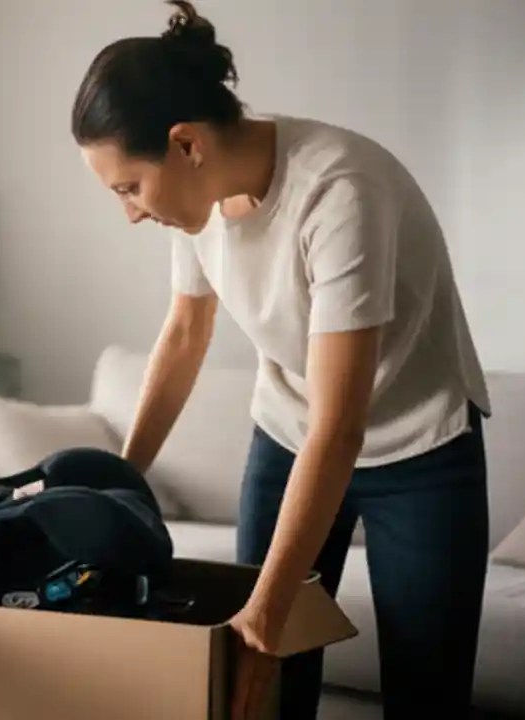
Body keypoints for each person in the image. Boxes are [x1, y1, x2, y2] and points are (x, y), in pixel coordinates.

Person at [70, 2, 491, 719]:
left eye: (128, 188)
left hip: (419, 449)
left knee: (424, 693)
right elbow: (183, 335)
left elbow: (341, 428)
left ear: (186, 144)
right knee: (268, 699)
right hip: (288, 435)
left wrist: (266, 620)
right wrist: (124, 480)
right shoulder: (195, 202)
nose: (131, 213)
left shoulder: (339, 190)